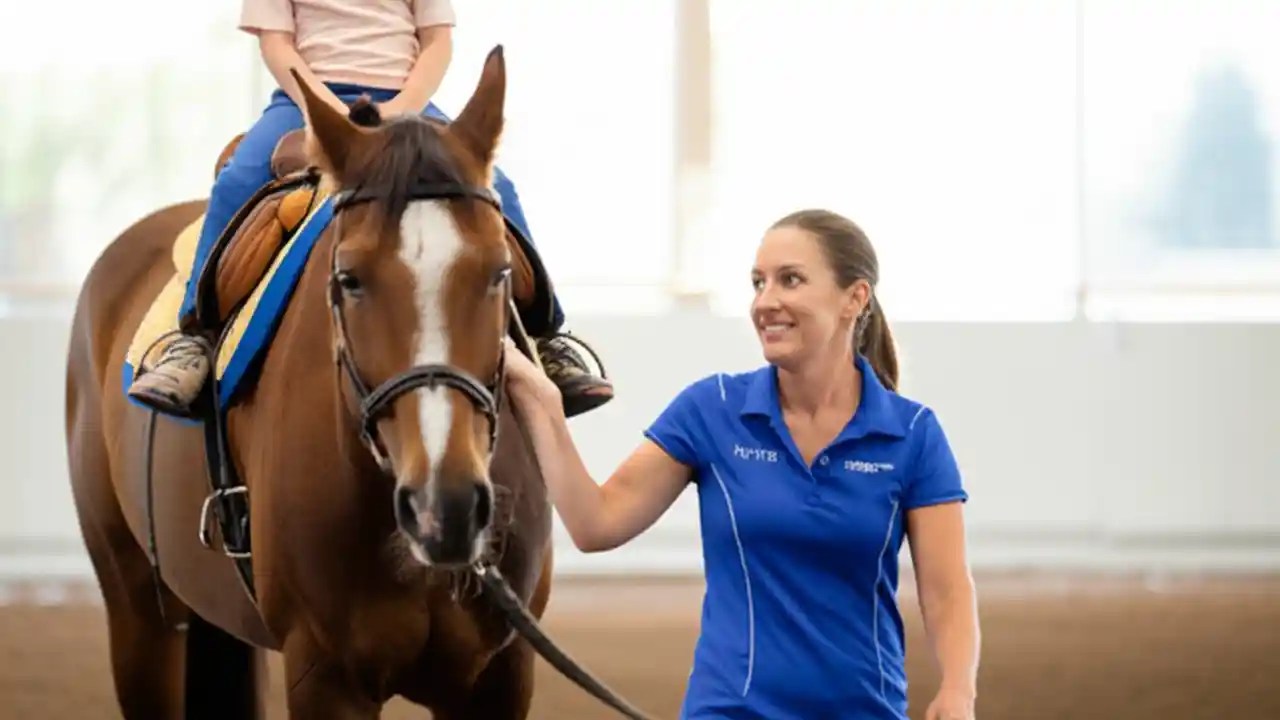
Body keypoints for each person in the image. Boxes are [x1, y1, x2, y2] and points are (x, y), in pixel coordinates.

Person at [502, 208, 981, 719]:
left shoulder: (913, 434)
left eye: (790, 280)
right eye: (758, 283)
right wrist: (538, 397)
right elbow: (595, 523)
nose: (765, 302)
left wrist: (958, 689)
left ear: (854, 298)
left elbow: (946, 588)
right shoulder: (712, 410)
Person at [127, 0, 613, 419]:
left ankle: (546, 335)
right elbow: (277, 45)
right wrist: (329, 113)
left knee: (496, 185)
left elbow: (436, 41)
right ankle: (194, 335)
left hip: (409, 100)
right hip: (305, 101)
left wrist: (401, 107)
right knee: (238, 181)